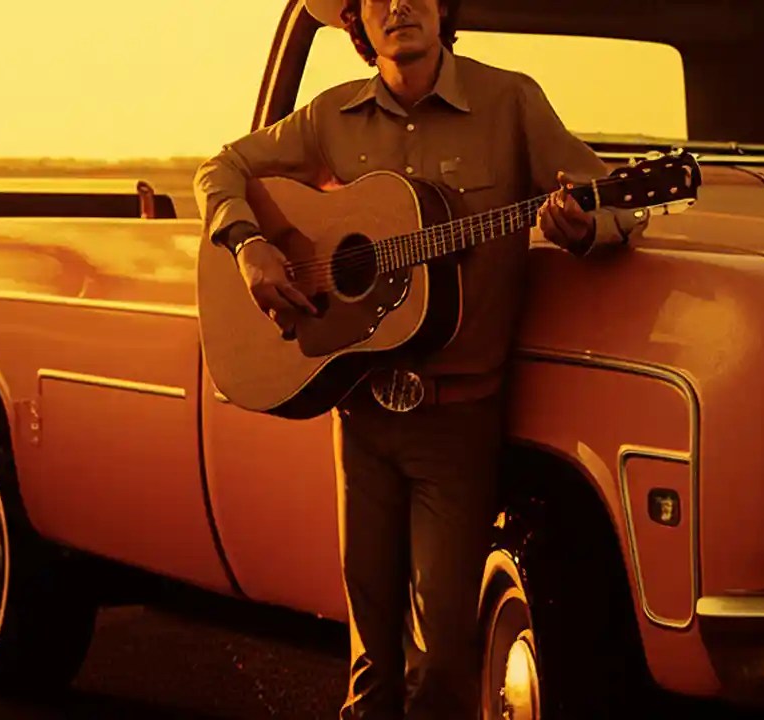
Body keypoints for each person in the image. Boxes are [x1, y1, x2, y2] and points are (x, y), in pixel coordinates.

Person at [193, 0, 648, 716]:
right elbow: (220, 168)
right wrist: (249, 245)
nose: (397, 5)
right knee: (372, 657)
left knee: (441, 658)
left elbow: (619, 202)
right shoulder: (328, 117)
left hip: (457, 420)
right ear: (357, 22)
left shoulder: (511, 102)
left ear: (444, 9)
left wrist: (587, 225)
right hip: (360, 409)